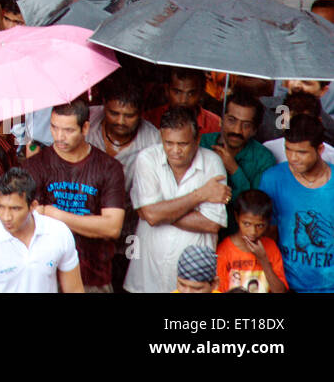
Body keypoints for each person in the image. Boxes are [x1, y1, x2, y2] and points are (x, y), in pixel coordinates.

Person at [125, 106, 230, 293]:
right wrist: (200, 195)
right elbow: (151, 215)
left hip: (194, 281)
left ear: (197, 139)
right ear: (160, 137)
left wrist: (158, 213)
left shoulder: (213, 162)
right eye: (168, 143)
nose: (175, 151)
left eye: (183, 144)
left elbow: (212, 223)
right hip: (148, 274)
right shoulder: (147, 159)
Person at [25, 100, 126, 291]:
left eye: (68, 130)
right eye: (54, 128)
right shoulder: (35, 165)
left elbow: (112, 227)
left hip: (93, 277)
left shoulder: (109, 168)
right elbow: (28, 222)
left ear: (85, 127)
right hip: (45, 278)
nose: (59, 137)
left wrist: (55, 214)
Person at [0, 168, 84, 293]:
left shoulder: (58, 233)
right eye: (0, 206)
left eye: (15, 208)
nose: (6, 217)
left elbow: (74, 289)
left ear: (33, 206)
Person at [258, 114, 334, 293]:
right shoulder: (272, 179)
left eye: (302, 152)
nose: (293, 158)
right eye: (288, 149)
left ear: (320, 149)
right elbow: (267, 234)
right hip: (286, 285)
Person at [199, 91, 275, 222]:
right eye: (231, 121)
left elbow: (255, 211)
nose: (237, 130)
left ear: (255, 129)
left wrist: (234, 169)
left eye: (246, 125)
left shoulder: (263, 159)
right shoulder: (203, 144)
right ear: (221, 120)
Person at [87, 79, 162, 188]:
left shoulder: (153, 141)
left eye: (129, 116)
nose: (120, 121)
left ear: (141, 112)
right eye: (114, 113)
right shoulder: (86, 120)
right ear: (104, 104)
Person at [216, 189, 287, 293]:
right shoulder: (225, 250)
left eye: (259, 226)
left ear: (268, 222)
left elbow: (280, 291)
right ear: (236, 217)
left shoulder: (270, 247)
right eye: (247, 224)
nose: (253, 232)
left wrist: (263, 260)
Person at [145, 67, 222, 134]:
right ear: (167, 90)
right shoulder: (151, 119)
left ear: (201, 93)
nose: (183, 100)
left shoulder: (215, 124)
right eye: (177, 92)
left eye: (191, 93)